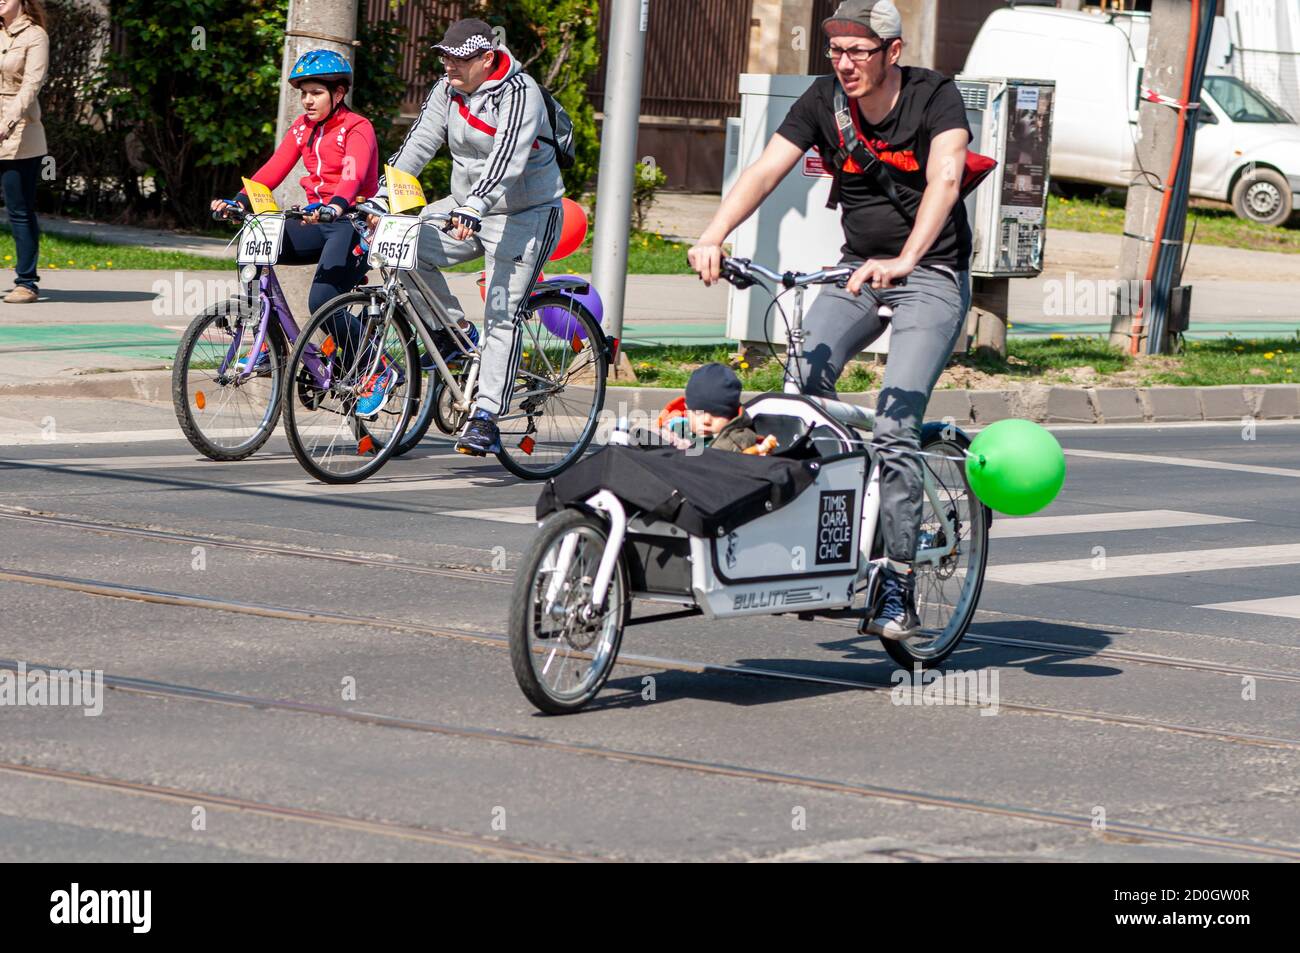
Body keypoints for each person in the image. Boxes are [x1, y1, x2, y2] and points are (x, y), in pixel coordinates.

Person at [687, 0, 974, 640]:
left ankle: (897, 581)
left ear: (892, 53)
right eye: (836, 53)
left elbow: (946, 180)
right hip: (856, 270)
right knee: (797, 395)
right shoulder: (824, 100)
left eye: (859, 53)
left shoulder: (937, 97)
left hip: (929, 273)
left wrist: (905, 258)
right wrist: (713, 234)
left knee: (897, 425)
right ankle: (819, 541)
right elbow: (764, 169)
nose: (844, 65)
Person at [370, 17, 564, 456]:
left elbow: (506, 160)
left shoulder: (520, 93)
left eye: (458, 60)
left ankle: (486, 417)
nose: (449, 67)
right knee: (402, 245)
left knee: (501, 311)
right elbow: (417, 144)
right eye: (444, 58)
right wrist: (383, 198)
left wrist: (475, 206)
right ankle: (456, 336)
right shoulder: (446, 91)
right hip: (465, 208)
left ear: (486, 58)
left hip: (524, 213)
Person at [212, 49, 386, 412]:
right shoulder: (302, 128)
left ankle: (376, 365)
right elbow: (274, 169)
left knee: (322, 300)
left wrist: (336, 204)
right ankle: (266, 344)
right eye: (303, 92)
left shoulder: (357, 128)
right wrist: (240, 200)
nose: (307, 100)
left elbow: (352, 175)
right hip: (313, 221)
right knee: (253, 246)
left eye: (316, 92)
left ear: (338, 94)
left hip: (349, 223)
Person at [0, 0, 48, 305]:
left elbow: (32, 83)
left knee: (19, 210)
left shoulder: (35, 36)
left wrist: (7, 122)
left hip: (20, 133)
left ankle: (27, 282)